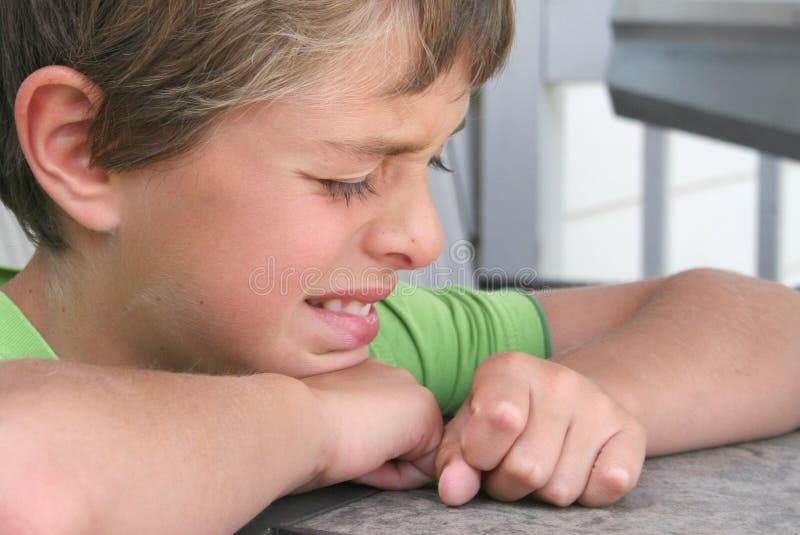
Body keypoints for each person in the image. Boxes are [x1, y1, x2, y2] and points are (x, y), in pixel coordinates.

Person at [0, 1, 798, 533]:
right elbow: (27, 478)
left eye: (432, 163)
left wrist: (583, 402)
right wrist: (314, 428)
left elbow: (772, 326)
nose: (424, 239)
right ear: (86, 150)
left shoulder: (363, 350)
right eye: (349, 177)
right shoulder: (338, 388)